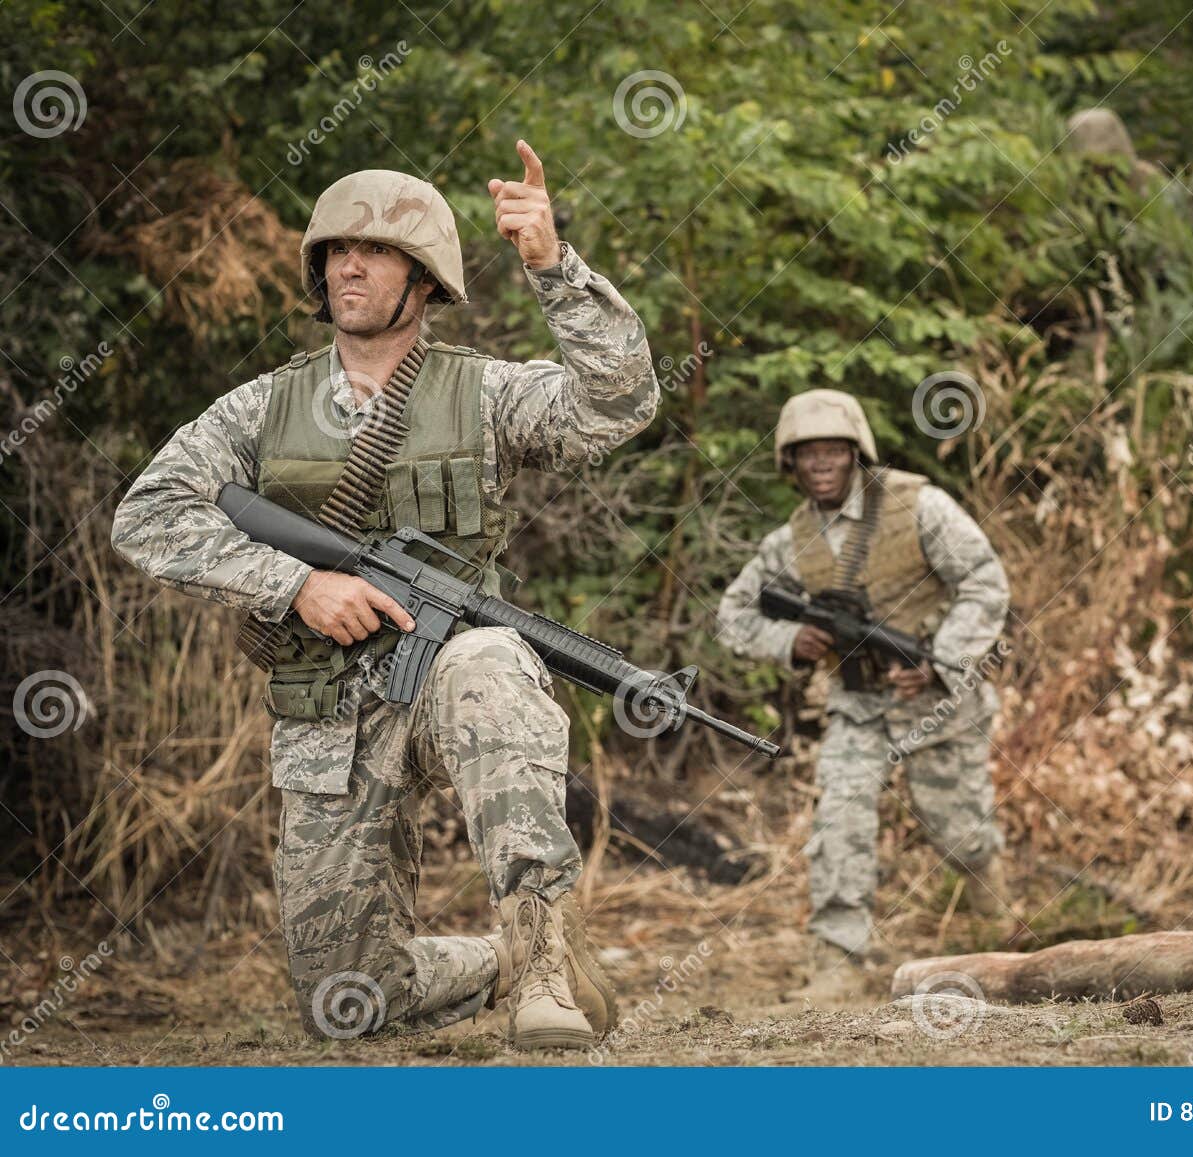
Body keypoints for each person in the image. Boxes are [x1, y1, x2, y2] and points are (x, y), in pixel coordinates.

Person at [111, 141, 657, 1050]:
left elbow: (619, 404)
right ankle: (489, 961)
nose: (347, 265)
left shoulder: (483, 392)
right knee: (348, 1004)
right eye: (333, 251)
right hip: (327, 713)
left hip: (452, 676)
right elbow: (147, 513)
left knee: (488, 659)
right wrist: (295, 584)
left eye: (374, 251)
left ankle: (544, 956)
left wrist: (554, 268)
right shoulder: (260, 409)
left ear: (428, 280)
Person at [716, 389, 1011, 1002]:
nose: (821, 464)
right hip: (856, 706)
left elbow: (984, 582)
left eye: (833, 451)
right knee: (839, 821)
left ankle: (997, 924)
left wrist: (940, 663)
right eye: (807, 454)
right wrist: (791, 639)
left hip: (937, 703)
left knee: (962, 834)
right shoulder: (789, 541)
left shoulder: (920, 506)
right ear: (789, 464)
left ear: (856, 454)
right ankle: (837, 962)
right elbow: (733, 616)